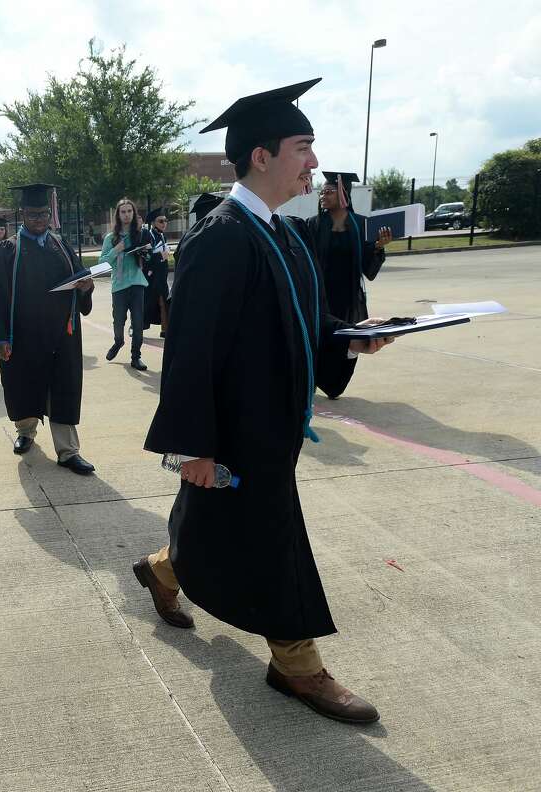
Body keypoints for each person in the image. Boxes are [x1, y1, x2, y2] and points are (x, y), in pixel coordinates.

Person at [135, 79, 395, 725]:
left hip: (275, 425)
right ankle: (297, 663)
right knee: (275, 540)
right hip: (236, 431)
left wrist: (350, 337)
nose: (314, 162)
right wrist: (194, 447)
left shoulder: (281, 233)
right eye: (303, 147)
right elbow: (190, 350)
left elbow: (304, 318)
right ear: (261, 155)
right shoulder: (220, 237)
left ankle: (163, 571)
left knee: (218, 522)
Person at [0, 184, 95, 475]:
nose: (39, 220)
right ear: (23, 214)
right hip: (23, 336)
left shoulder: (61, 245)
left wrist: (86, 286)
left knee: (63, 389)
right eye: (33, 215)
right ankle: (26, 432)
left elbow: (79, 278)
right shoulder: (9, 250)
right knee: (24, 386)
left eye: (44, 214)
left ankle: (68, 451)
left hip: (62, 334)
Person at [307, 171, 392, 399]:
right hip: (319, 298)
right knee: (318, 341)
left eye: (328, 191)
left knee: (345, 343)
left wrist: (377, 247)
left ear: (343, 194)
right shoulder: (313, 225)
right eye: (321, 192)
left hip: (347, 298)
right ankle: (312, 381)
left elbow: (369, 269)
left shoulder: (361, 225)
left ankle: (335, 383)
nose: (322, 196)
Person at [99, 198, 150, 370]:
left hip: (136, 283)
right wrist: (116, 249)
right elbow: (102, 262)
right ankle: (118, 342)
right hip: (119, 285)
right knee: (118, 321)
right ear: (118, 215)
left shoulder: (140, 234)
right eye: (123, 212)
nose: (127, 215)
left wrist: (145, 254)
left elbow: (148, 258)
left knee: (138, 322)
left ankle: (136, 357)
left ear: (134, 214)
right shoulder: (110, 238)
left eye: (130, 211)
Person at [140, 207, 172, 339]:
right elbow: (145, 257)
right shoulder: (149, 235)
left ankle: (166, 329)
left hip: (162, 276)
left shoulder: (162, 235)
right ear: (153, 223)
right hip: (151, 278)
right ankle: (137, 326)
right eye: (161, 221)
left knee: (164, 302)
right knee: (148, 304)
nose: (164, 223)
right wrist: (160, 256)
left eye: (165, 221)